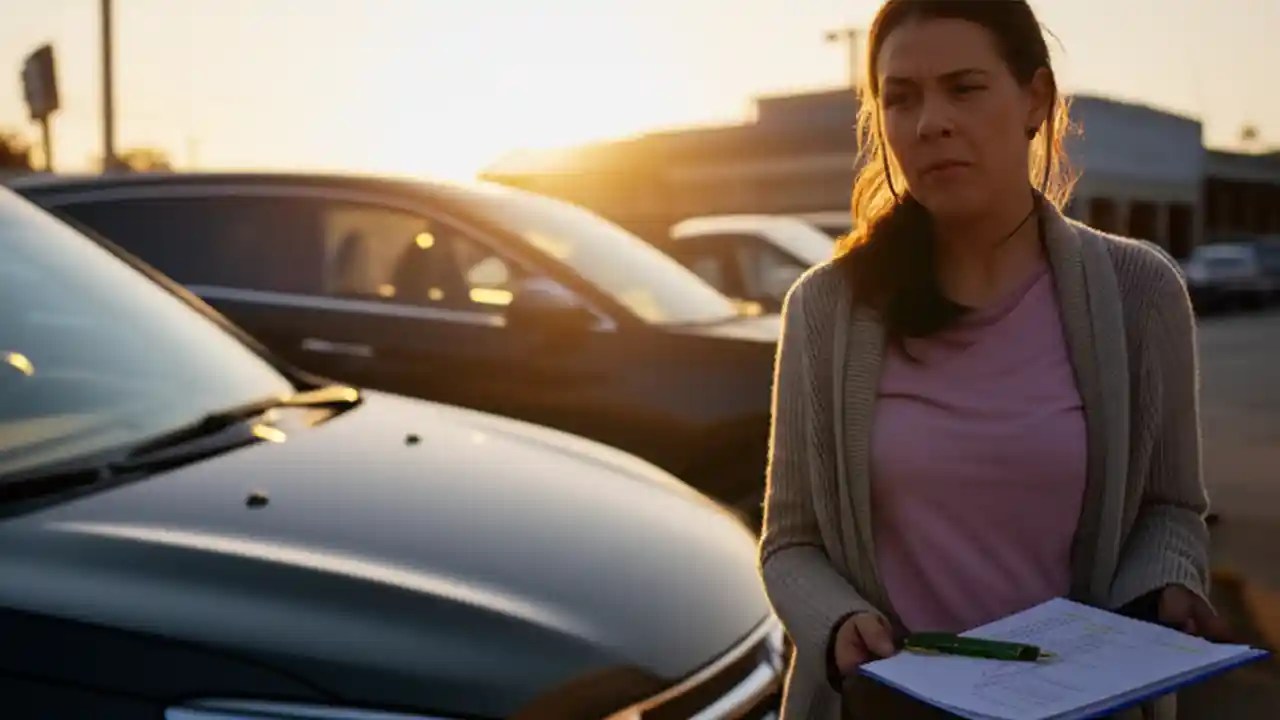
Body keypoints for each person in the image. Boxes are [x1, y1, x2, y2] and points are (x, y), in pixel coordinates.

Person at [757, 1, 1227, 718]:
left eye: (964, 87)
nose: (931, 122)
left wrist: (1162, 587)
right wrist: (840, 621)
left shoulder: (1140, 292)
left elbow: (1169, 509)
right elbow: (791, 544)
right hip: (889, 705)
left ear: (1035, 100)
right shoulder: (826, 309)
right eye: (901, 98)